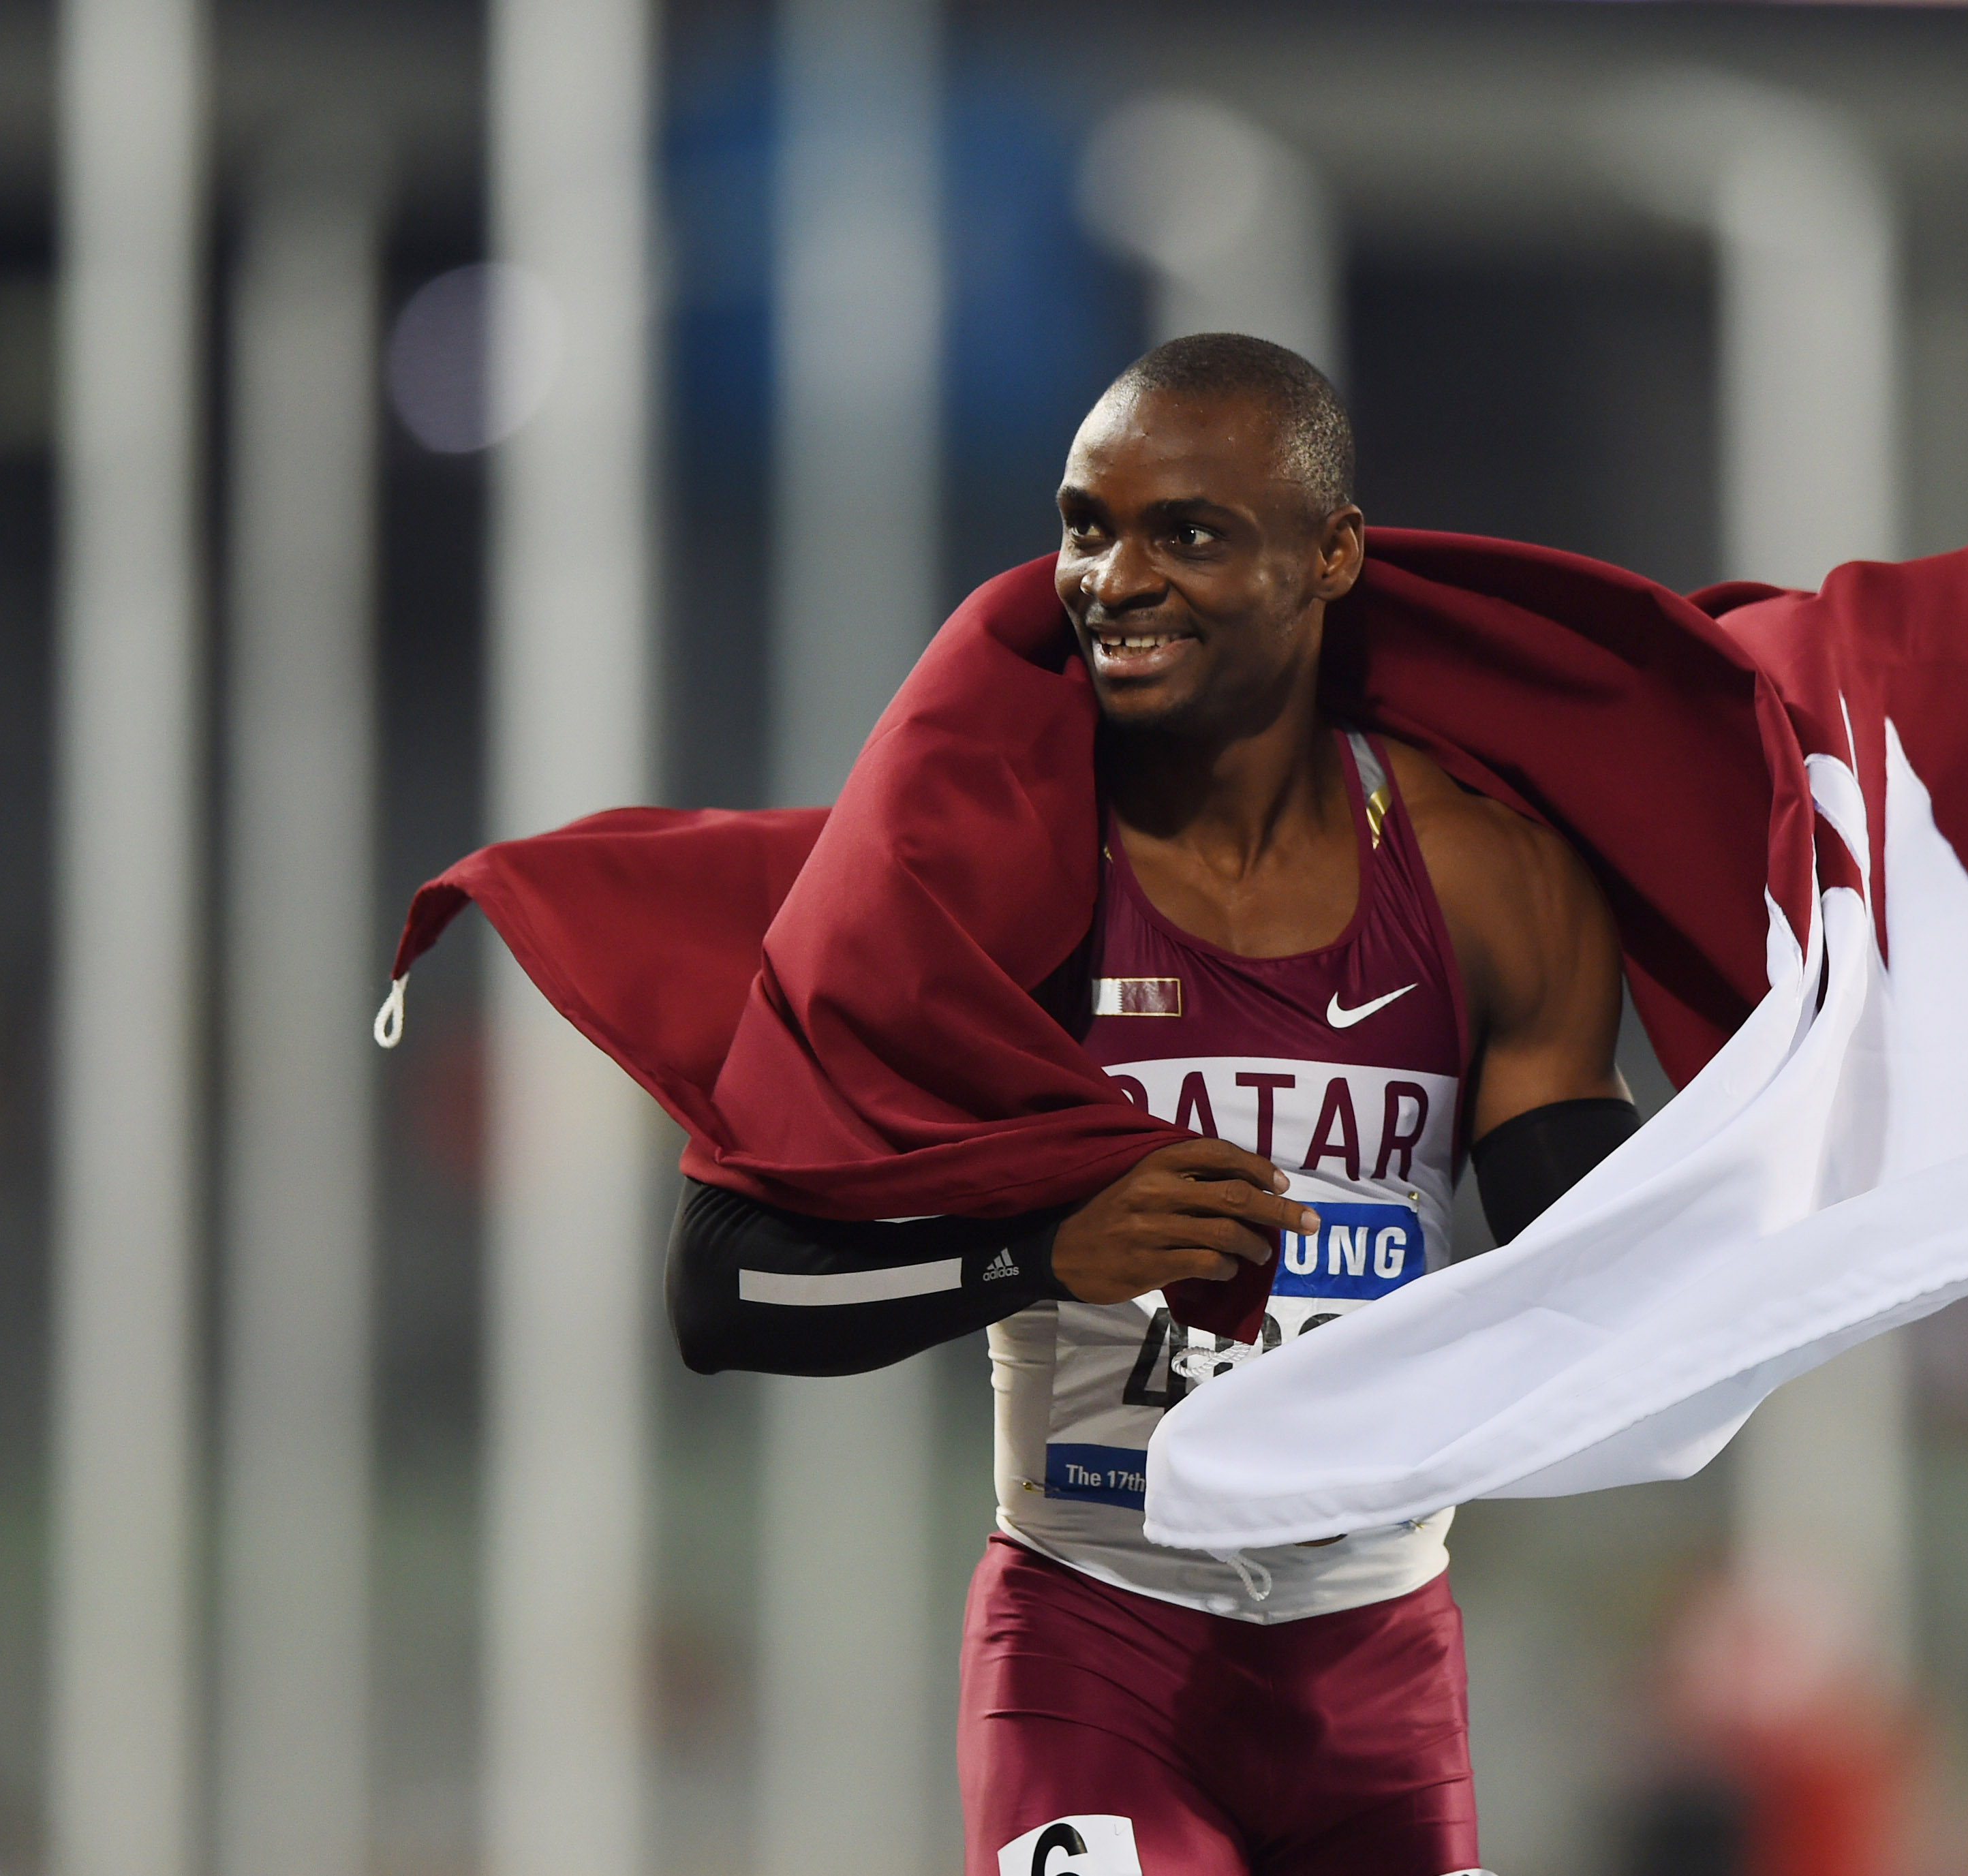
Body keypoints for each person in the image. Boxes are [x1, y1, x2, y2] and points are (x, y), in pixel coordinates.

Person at [664, 335, 1647, 1875]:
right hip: (1093, 1651)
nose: (1114, 578)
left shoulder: (1483, 879)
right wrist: (1045, 1254)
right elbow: (723, 1285)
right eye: (1082, 526)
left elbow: (1597, 1257)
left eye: (1185, 532)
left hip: (1375, 1664)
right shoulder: (993, 880)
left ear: (1330, 557)